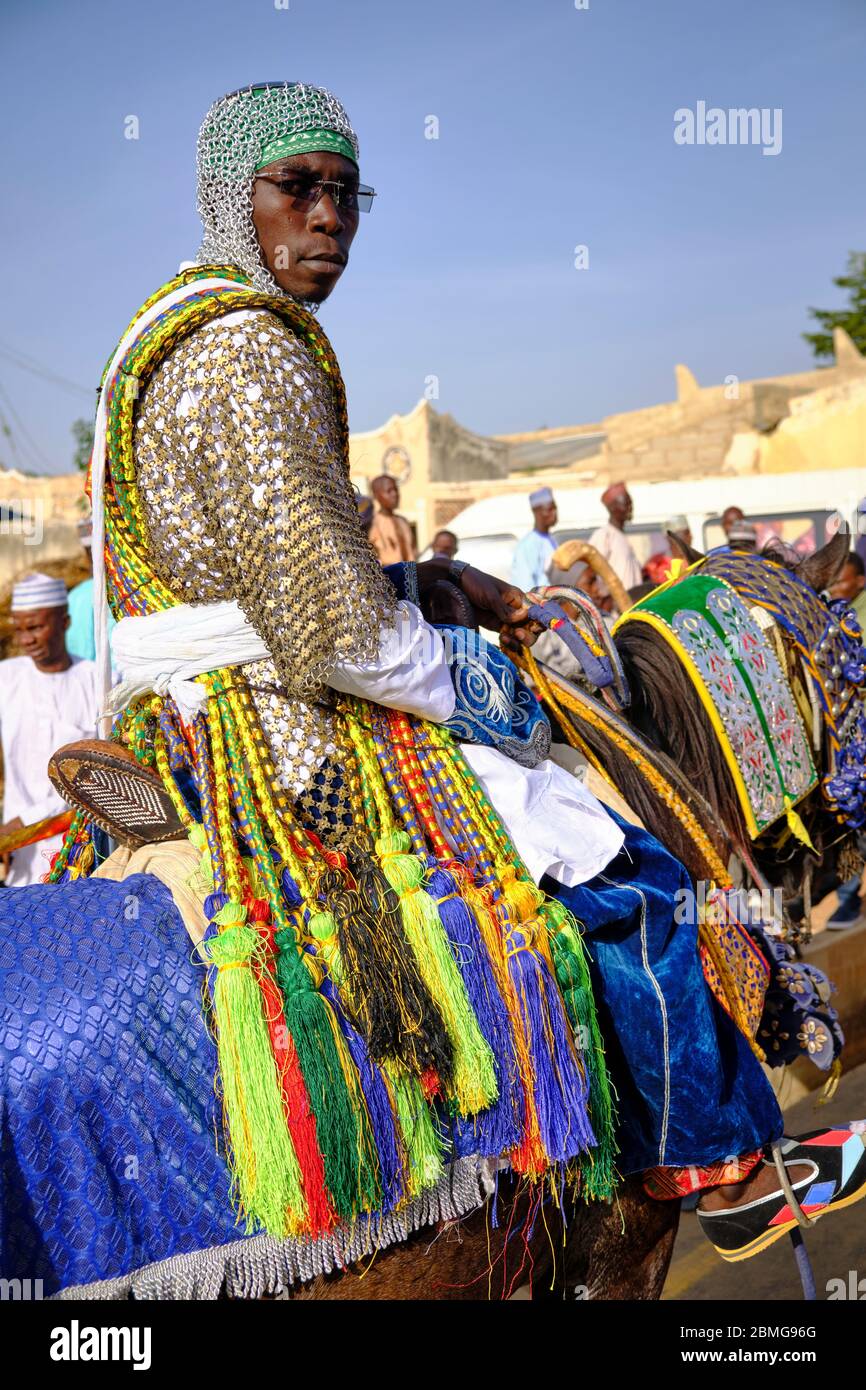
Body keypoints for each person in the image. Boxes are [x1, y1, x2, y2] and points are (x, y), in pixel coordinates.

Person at [2, 82, 863, 1298]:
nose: (329, 219)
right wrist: (470, 678)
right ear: (229, 203)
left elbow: (269, 576)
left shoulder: (161, 332)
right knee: (619, 870)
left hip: (188, 708)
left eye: (346, 194)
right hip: (290, 726)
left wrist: (420, 574)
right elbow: (327, 625)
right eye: (297, 189)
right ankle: (727, 1172)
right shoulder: (251, 347)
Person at [0, 573, 98, 886]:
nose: (27, 639)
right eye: (20, 629)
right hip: (20, 852)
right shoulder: (7, 678)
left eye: (36, 627)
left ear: (65, 622)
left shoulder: (96, 680)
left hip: (82, 850)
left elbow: (92, 773)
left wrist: (25, 821)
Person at [510, 487, 558, 591]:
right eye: (549, 509)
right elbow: (525, 586)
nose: (554, 513)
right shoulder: (527, 545)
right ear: (537, 512)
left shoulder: (550, 539)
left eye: (555, 508)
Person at [368, 474, 416, 564]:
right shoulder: (373, 524)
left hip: (410, 574)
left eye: (396, 490)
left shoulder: (403, 522)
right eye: (389, 491)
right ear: (376, 495)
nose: (395, 494)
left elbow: (412, 552)